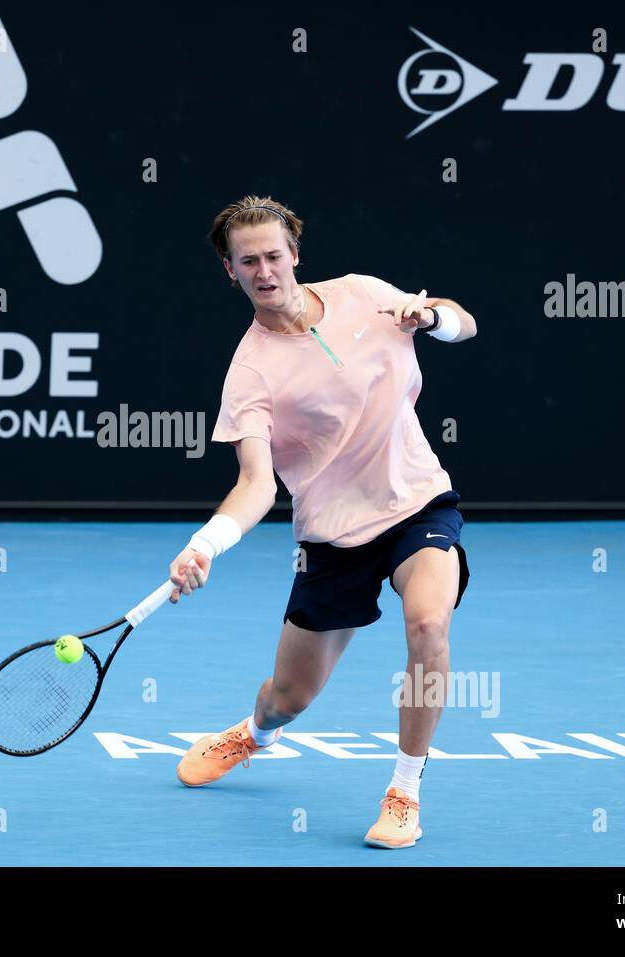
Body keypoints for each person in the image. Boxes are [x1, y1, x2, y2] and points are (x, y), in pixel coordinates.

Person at [169, 195, 476, 848]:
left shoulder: (364, 294)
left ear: (295, 255)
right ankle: (254, 734)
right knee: (288, 697)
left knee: (428, 623)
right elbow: (255, 483)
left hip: (418, 502)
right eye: (247, 260)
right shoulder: (249, 371)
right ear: (230, 270)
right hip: (332, 538)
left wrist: (435, 317)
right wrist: (206, 544)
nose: (265, 270)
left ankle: (405, 790)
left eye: (274, 255)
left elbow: (464, 323)